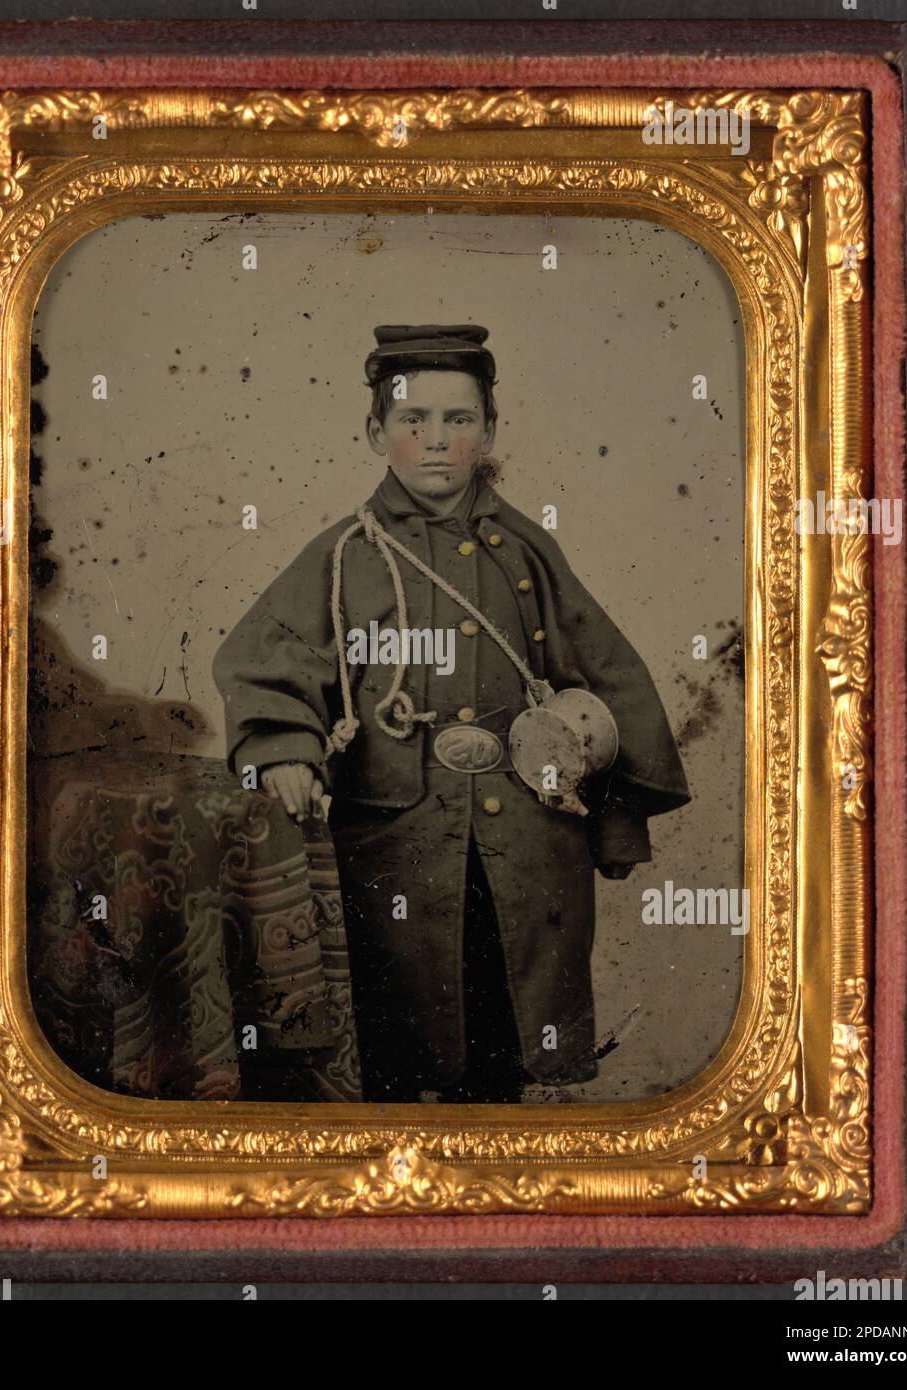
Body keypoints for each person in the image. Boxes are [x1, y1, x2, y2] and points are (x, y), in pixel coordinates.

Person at [213, 324, 690, 1103]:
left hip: (529, 846)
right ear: (377, 432)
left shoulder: (527, 553)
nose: (436, 441)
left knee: (503, 1043)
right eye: (412, 420)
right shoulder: (344, 557)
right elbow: (269, 662)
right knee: (398, 1047)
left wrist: (611, 812)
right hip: (396, 846)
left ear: (490, 431)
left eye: (458, 420)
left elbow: (609, 680)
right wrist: (284, 747)